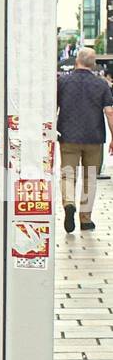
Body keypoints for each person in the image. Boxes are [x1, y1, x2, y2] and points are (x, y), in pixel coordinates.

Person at [57, 48, 113, 232]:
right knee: (90, 178)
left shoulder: (63, 82)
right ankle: (85, 219)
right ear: (93, 63)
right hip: (94, 138)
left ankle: (69, 203)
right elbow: (109, 112)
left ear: (77, 61)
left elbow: (52, 108)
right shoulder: (101, 84)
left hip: (68, 137)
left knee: (68, 174)